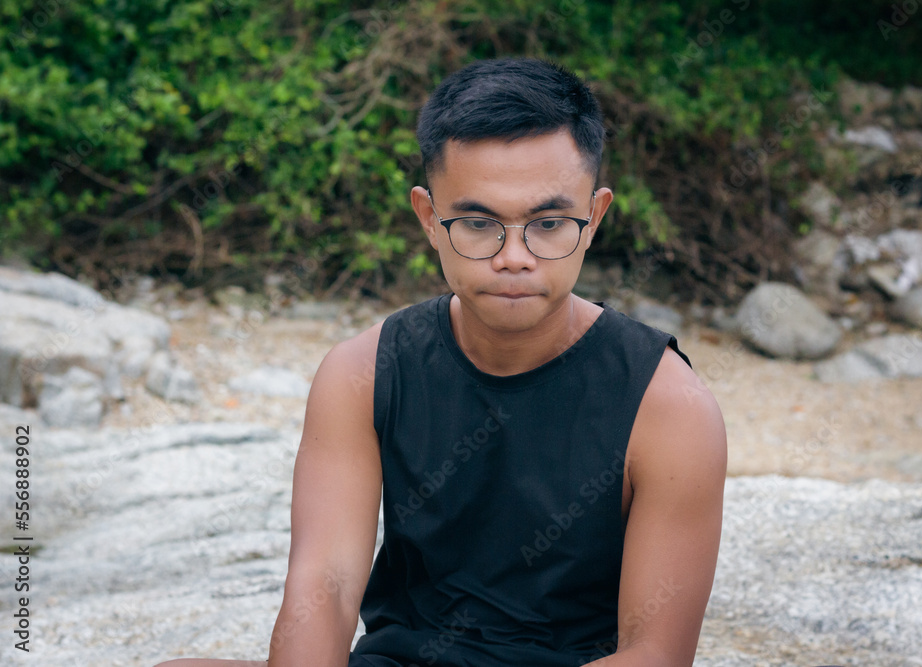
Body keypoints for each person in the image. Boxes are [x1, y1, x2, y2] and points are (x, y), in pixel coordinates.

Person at [155, 57, 726, 667]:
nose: (514, 257)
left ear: (595, 219)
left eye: (550, 223)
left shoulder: (667, 405)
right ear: (429, 218)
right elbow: (326, 585)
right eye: (478, 223)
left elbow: (656, 655)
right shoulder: (363, 373)